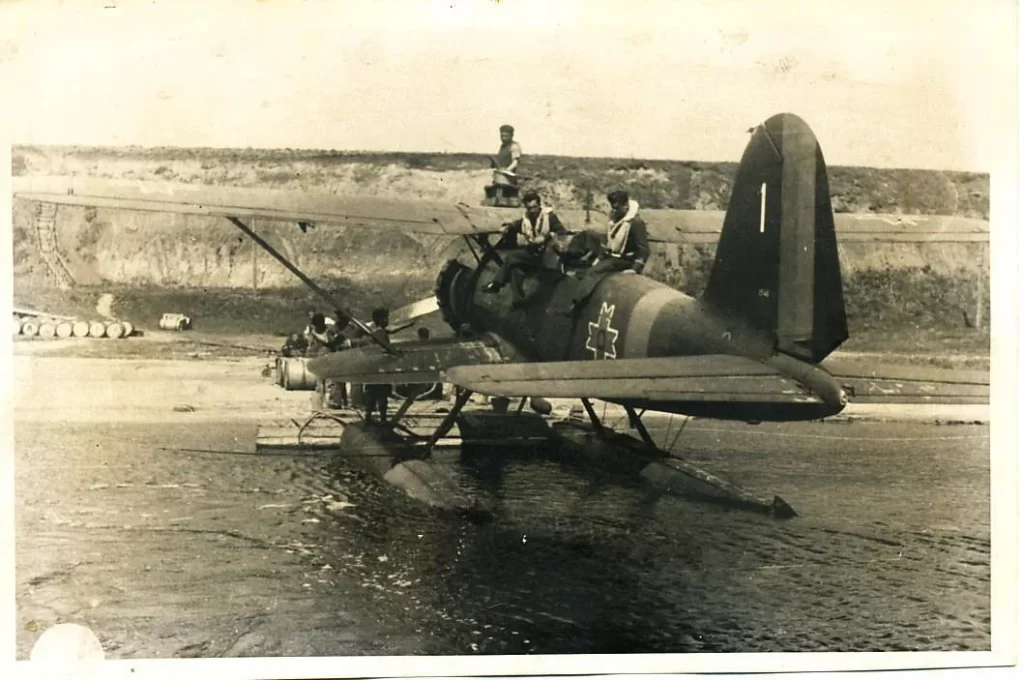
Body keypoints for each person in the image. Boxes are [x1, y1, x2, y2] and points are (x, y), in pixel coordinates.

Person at [484, 189, 568, 307]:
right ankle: (518, 300)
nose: (532, 211)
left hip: (547, 255)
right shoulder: (526, 219)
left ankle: (496, 283)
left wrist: (546, 237)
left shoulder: (550, 217)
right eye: (529, 208)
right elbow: (516, 225)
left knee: (511, 257)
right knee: (515, 269)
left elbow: (562, 232)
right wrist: (507, 227)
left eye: (534, 207)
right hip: (533, 255)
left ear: (539, 205)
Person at [569, 189, 650, 311]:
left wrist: (635, 269)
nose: (614, 211)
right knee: (587, 268)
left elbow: (643, 249)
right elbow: (610, 243)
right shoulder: (616, 219)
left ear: (626, 205)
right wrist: (599, 258)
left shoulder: (636, 223)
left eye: (617, 208)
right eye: (613, 208)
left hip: (625, 259)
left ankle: (577, 302)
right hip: (613, 257)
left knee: (594, 272)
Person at [362, 307, 393, 424]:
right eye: (386, 318)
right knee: (381, 396)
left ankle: (368, 418)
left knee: (372, 394)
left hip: (373, 368)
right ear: (380, 319)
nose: (388, 320)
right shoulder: (381, 334)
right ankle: (382, 419)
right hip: (380, 369)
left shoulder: (376, 333)